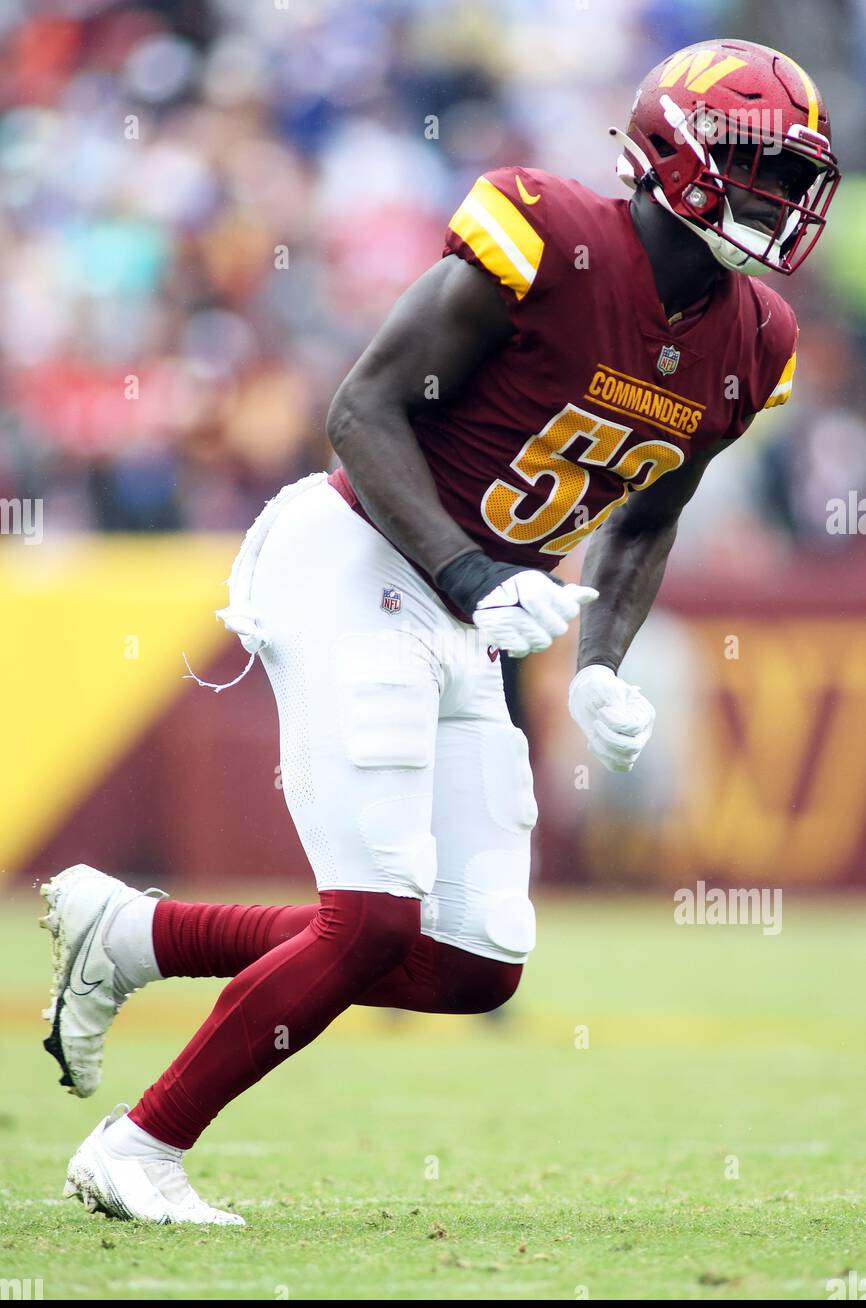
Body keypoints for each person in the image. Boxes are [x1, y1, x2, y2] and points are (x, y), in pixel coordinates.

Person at [40, 40, 839, 1223]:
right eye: (753, 167)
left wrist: (603, 665)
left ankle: (137, 932)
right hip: (358, 556)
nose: (776, 199)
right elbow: (358, 407)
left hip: (469, 603)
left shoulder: (754, 339)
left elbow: (647, 512)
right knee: (370, 918)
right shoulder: (550, 233)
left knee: (473, 961)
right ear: (672, 152)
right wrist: (470, 574)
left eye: (793, 175)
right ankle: (140, 1142)